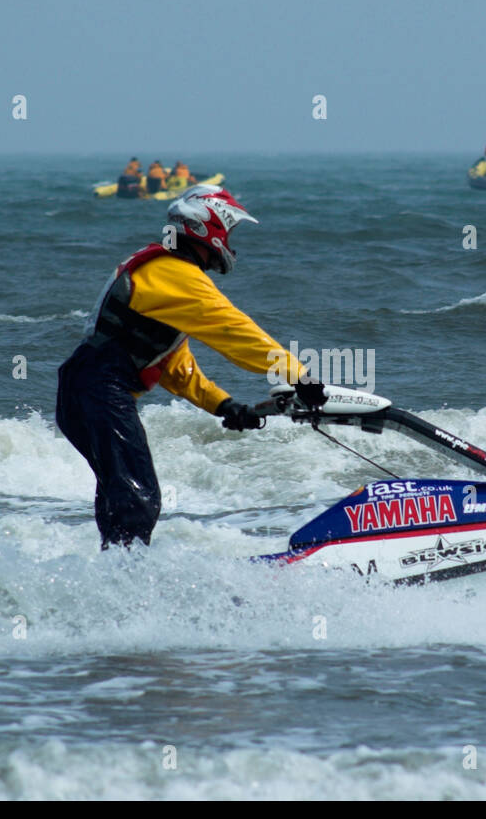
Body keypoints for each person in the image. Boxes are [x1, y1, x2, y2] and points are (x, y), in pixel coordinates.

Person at [56, 184, 326, 548]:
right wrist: (299, 376)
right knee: (137, 498)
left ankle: (115, 568)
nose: (230, 244)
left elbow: (173, 364)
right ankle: (124, 580)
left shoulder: (164, 270)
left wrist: (223, 404)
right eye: (228, 233)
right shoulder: (176, 274)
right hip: (99, 388)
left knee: (120, 492)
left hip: (84, 387)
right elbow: (235, 332)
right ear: (208, 229)